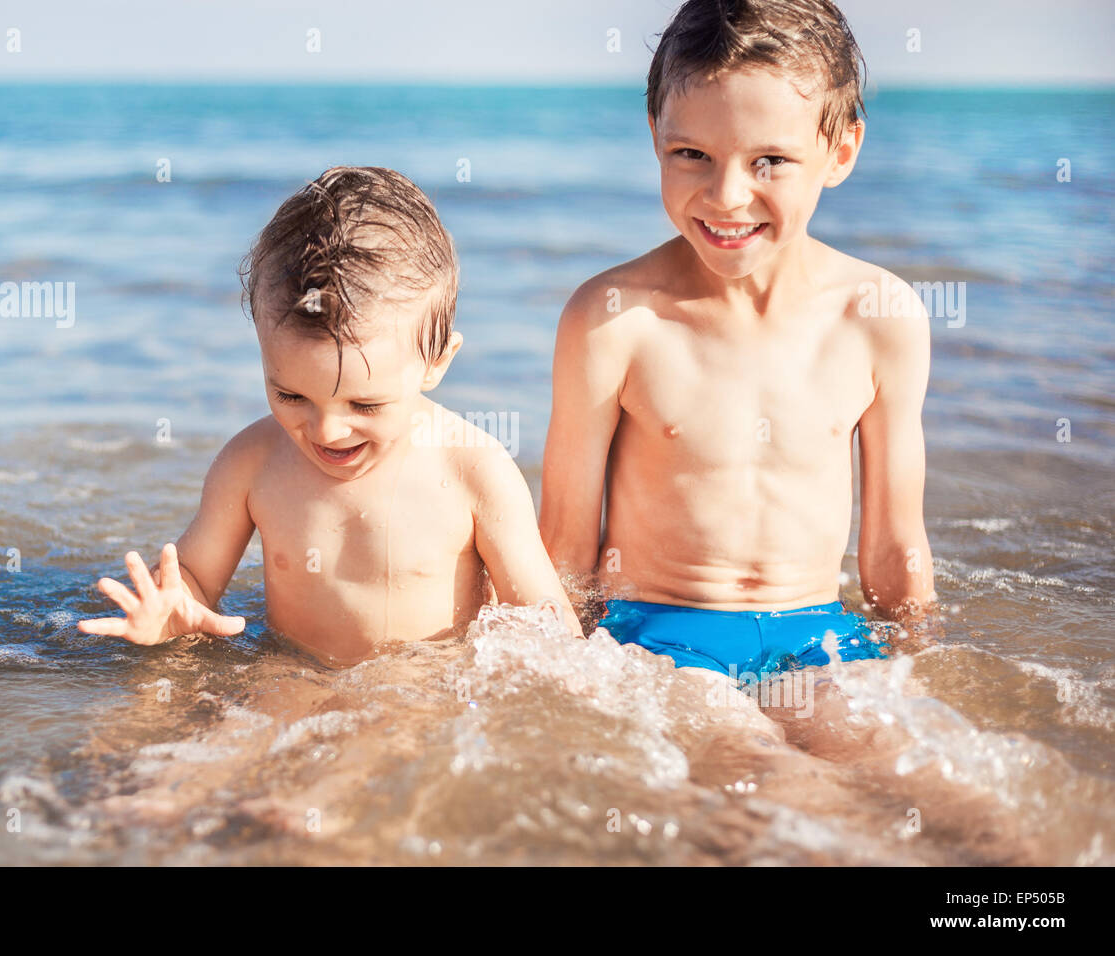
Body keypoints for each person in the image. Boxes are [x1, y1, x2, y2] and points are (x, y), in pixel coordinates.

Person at [540, 0, 937, 682]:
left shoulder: (879, 317)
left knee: (919, 772)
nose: (726, 196)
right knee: (758, 774)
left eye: (770, 161)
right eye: (691, 154)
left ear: (840, 151)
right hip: (657, 636)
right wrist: (558, 678)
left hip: (818, 635)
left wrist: (923, 667)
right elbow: (565, 550)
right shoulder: (614, 320)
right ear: (654, 135)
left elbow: (896, 547)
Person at [80, 166, 580, 663]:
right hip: (293, 676)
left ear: (437, 362)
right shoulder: (251, 462)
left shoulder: (474, 470)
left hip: (426, 696)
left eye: (365, 404)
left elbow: (544, 616)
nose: (326, 430)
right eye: (291, 396)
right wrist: (173, 609)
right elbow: (196, 575)